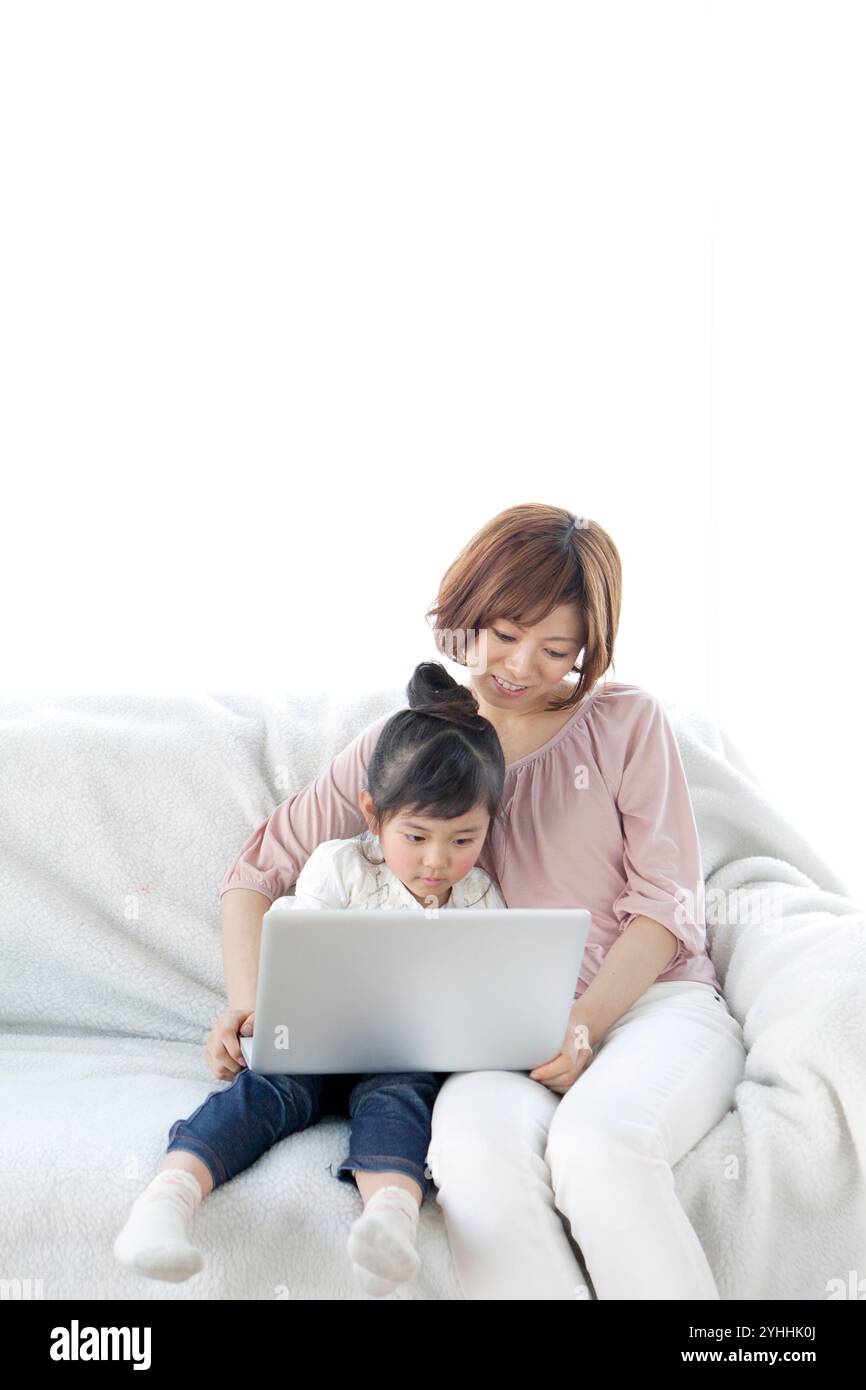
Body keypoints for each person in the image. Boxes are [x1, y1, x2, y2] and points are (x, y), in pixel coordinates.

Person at [203, 503, 747, 1300]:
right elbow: (255, 873)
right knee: (470, 1161)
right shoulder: (408, 746)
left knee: (599, 1146)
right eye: (502, 633)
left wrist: (586, 1021)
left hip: (651, 1009)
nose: (523, 666)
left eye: (558, 650)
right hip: (501, 1046)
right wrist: (250, 1008)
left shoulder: (627, 724)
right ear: (463, 619)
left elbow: (666, 907)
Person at [113, 661, 506, 1297]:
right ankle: (165, 1202)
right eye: (417, 836)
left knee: (400, 1101)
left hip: (401, 1054)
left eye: (465, 839)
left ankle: (389, 1226)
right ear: (373, 816)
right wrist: (258, 1014)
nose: (439, 861)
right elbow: (300, 949)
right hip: (316, 1040)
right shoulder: (338, 868)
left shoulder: (480, 896)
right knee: (262, 1095)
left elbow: (490, 991)